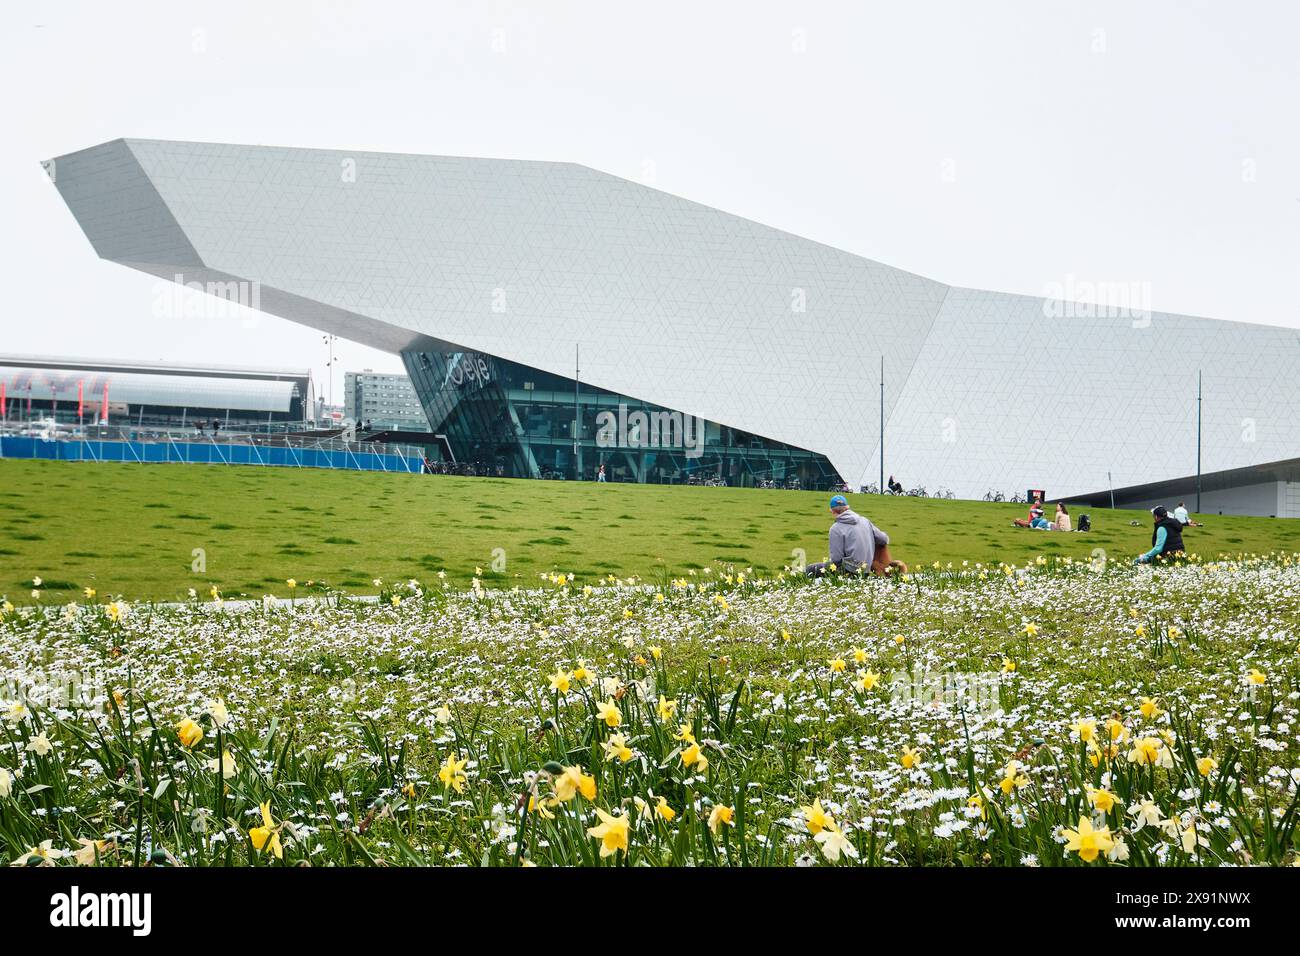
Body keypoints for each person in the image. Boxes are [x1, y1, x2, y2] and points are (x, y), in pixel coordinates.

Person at [806, 495, 903, 576]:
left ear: (832, 511)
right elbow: (884, 539)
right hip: (865, 570)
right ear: (847, 507)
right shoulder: (865, 521)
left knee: (810, 569)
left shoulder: (835, 528)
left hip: (849, 571)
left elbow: (836, 559)